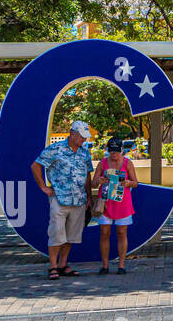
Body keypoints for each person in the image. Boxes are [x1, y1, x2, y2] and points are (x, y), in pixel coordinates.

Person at [31, 120, 94, 280]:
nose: (84, 140)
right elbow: (36, 166)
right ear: (72, 133)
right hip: (59, 199)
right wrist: (43, 187)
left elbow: (87, 175)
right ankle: (52, 266)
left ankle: (63, 265)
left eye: (85, 137)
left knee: (71, 235)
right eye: (81, 136)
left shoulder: (85, 153)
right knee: (56, 233)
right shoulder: (55, 149)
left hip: (79, 200)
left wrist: (89, 196)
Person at [93, 137, 138, 274]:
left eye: (117, 151)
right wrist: (99, 180)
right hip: (105, 203)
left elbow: (135, 182)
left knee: (122, 233)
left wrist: (128, 183)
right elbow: (93, 182)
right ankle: (105, 266)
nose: (114, 154)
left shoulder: (127, 163)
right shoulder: (102, 163)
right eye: (112, 151)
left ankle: (121, 265)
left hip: (122, 203)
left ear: (121, 151)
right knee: (104, 233)